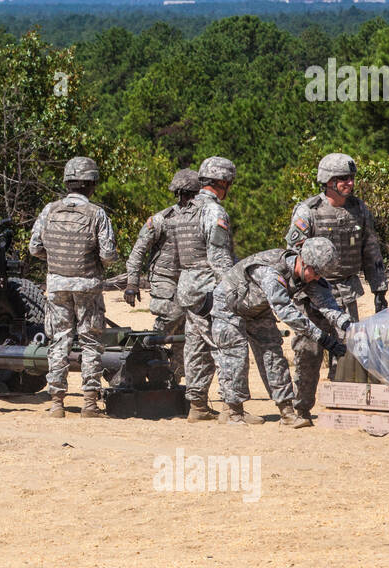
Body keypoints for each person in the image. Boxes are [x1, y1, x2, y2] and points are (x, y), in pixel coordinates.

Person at [284, 152, 388, 423]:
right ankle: (301, 410)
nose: (349, 183)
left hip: (347, 291)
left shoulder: (360, 209)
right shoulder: (308, 211)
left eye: (351, 178)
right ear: (327, 181)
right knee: (308, 352)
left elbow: (371, 250)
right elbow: (293, 255)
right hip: (312, 295)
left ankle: (340, 409)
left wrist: (380, 290)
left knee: (347, 352)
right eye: (342, 178)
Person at [210, 237, 353, 428]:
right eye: (316, 272)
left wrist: (348, 327)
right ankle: (234, 412)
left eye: (321, 274)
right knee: (235, 354)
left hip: (258, 310)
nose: (317, 277)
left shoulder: (309, 274)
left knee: (274, 355)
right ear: (303, 261)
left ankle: (286, 412)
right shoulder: (270, 272)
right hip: (228, 308)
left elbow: (328, 305)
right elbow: (286, 311)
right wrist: (322, 337)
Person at [29, 156, 119, 418]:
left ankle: (57, 402)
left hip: (57, 285)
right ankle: (89, 403)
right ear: (92, 184)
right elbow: (109, 255)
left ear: (68, 182)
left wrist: (56, 261)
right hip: (87, 286)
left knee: (59, 341)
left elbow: (34, 248)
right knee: (91, 342)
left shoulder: (50, 210)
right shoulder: (96, 213)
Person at [124, 169, 202, 383]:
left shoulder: (203, 217)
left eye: (192, 194)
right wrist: (132, 282)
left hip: (192, 280)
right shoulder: (161, 219)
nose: (188, 198)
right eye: (185, 194)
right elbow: (138, 250)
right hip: (164, 278)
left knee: (188, 331)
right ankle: (143, 353)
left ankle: (173, 380)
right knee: (173, 313)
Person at [174, 156, 237, 422]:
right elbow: (218, 256)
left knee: (196, 346)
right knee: (223, 345)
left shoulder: (186, 209)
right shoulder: (213, 211)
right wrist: (234, 286)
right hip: (209, 288)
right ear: (222, 182)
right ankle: (232, 409)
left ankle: (197, 405)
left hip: (188, 287)